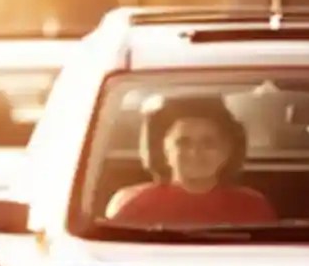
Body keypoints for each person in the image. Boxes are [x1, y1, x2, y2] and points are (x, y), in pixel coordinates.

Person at [106, 94, 276, 226]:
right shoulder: (133, 206)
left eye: (208, 143)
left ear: (227, 150)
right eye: (183, 142)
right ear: (164, 150)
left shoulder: (252, 207)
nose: (195, 152)